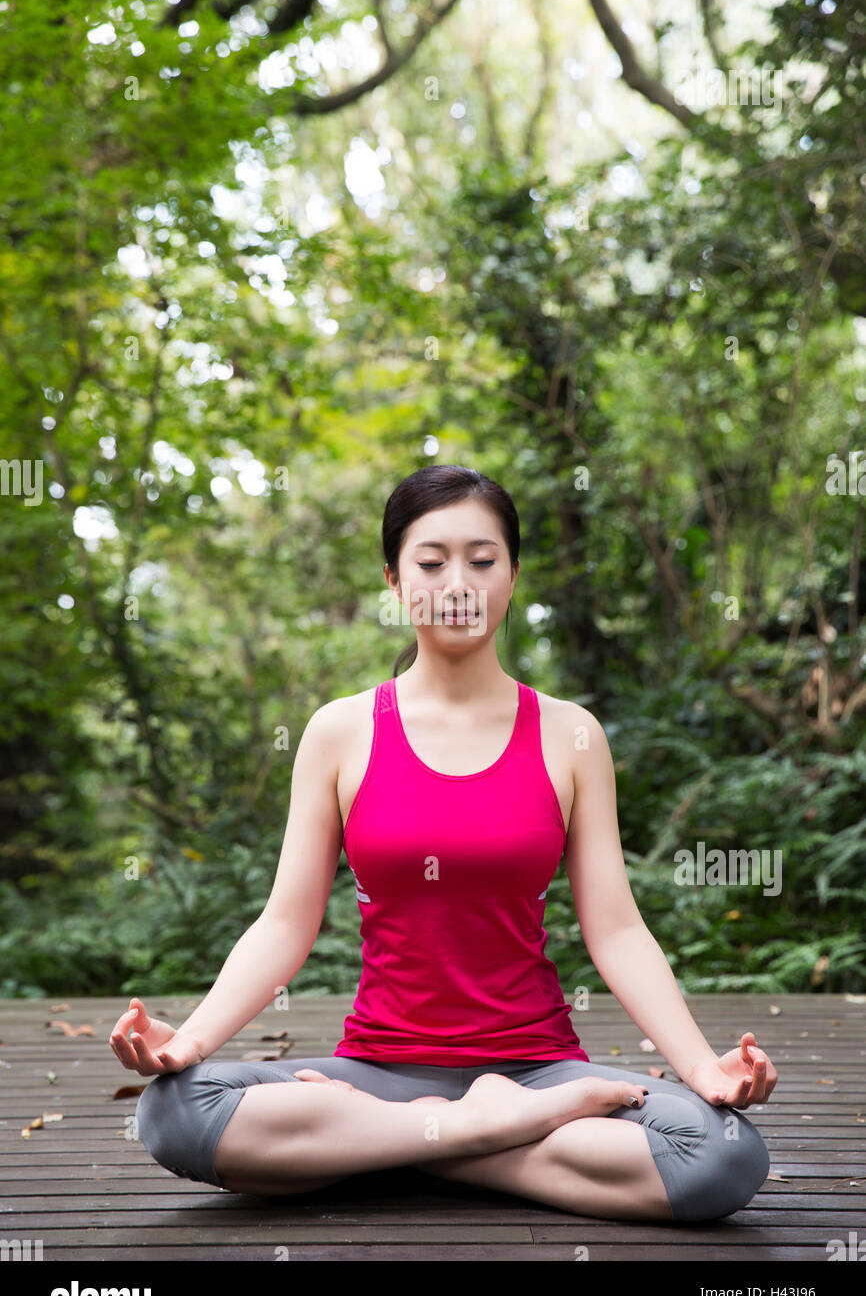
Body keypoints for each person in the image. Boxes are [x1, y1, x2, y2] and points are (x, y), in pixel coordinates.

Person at [111, 464, 774, 1223]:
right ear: (395, 582)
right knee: (171, 1110)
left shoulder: (571, 735)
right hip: (378, 1070)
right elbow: (286, 925)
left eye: (483, 560)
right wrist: (186, 1045)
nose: (458, 582)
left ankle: (398, 1148)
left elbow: (616, 929)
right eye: (431, 562)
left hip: (536, 1071)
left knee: (722, 1151)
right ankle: (475, 1135)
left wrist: (702, 1069)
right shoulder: (340, 732)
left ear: (514, 576)